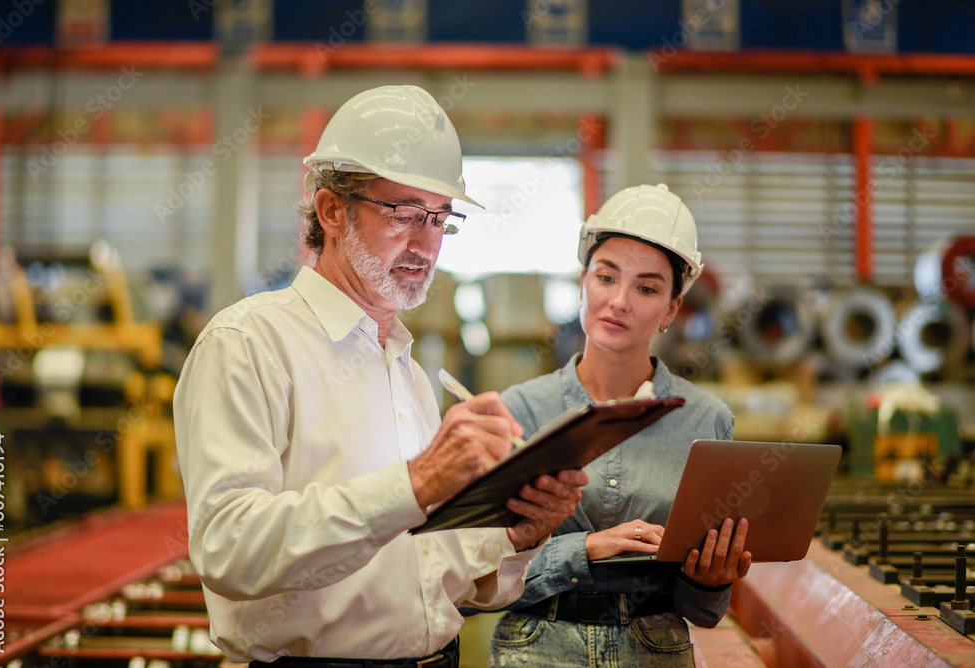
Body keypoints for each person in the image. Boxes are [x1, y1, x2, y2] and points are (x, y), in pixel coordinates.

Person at [173, 85, 589, 668]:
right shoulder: (248, 346)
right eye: (405, 213)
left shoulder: (408, 373)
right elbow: (230, 547)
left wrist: (515, 536)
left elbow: (423, 565)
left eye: (441, 219)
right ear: (331, 211)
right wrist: (416, 483)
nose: (426, 243)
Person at [487, 184, 752, 667]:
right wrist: (584, 549)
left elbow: (703, 611)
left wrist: (710, 581)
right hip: (534, 648)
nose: (620, 301)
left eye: (647, 288)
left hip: (656, 651)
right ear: (582, 280)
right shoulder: (520, 410)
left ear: (672, 308)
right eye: (606, 277)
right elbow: (476, 579)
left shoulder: (704, 419)